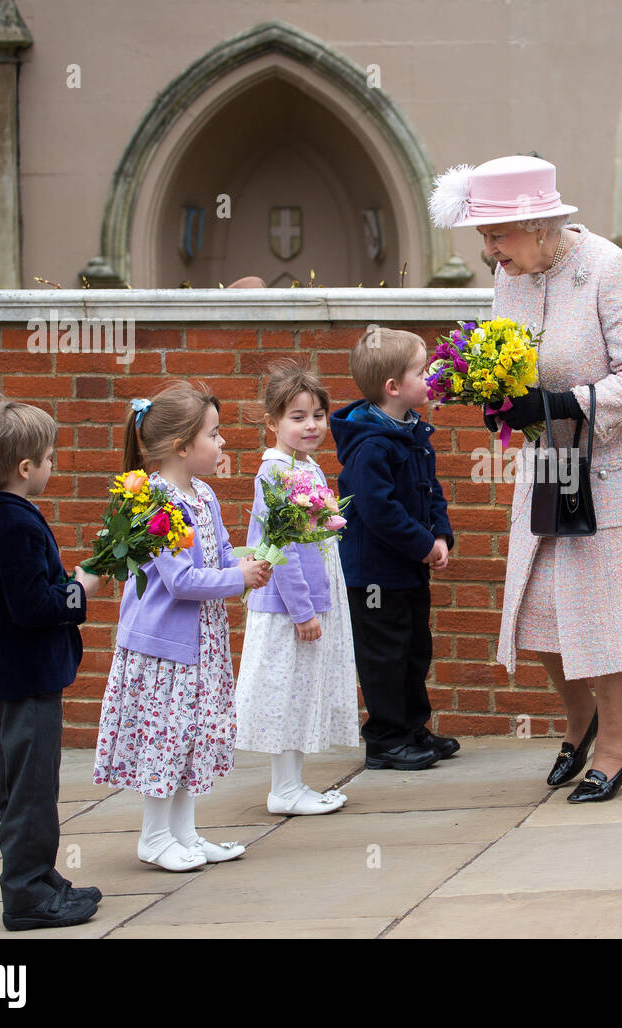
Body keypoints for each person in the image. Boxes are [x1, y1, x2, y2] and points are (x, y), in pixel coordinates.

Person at [429, 155, 622, 801]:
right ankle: (581, 718)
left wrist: (562, 404)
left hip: (617, 461)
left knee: (603, 610)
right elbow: (511, 355)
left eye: (498, 236)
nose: (489, 251)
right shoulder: (511, 275)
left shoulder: (610, 267)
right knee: (536, 605)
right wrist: (499, 396)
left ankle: (617, 747)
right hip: (551, 459)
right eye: (483, 238)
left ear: (542, 224)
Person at [93, 383, 272, 871]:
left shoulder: (204, 495)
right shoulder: (156, 501)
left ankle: (185, 835)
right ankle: (154, 837)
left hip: (202, 642)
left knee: (192, 734)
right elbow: (180, 580)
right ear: (181, 445)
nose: (222, 443)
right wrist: (238, 579)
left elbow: (217, 554)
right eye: (213, 434)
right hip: (166, 648)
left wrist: (252, 558)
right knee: (166, 735)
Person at [0, 400, 108, 931]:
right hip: (27, 680)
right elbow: (35, 608)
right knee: (31, 792)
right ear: (26, 468)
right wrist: (80, 586)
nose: (53, 465)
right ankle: (26, 897)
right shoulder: (15, 524)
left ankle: (42, 879)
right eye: (49, 457)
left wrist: (53, 585)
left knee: (23, 785)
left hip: (3, 674)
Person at [328, 327, 459, 772]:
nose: (431, 378)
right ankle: (385, 739)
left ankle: (412, 728)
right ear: (393, 387)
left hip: (407, 569)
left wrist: (439, 536)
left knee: (413, 649)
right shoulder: (371, 447)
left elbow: (431, 492)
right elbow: (378, 511)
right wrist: (423, 545)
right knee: (383, 656)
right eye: (421, 372)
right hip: (374, 576)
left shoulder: (412, 433)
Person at [234, 359, 358, 815]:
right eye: (298, 417)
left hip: (310, 599)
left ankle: (293, 784)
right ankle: (284, 790)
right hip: (290, 606)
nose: (311, 426)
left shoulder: (305, 465)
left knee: (302, 690)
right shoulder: (276, 474)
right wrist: (303, 611)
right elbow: (279, 549)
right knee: (286, 693)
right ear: (272, 423)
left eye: (318, 416)